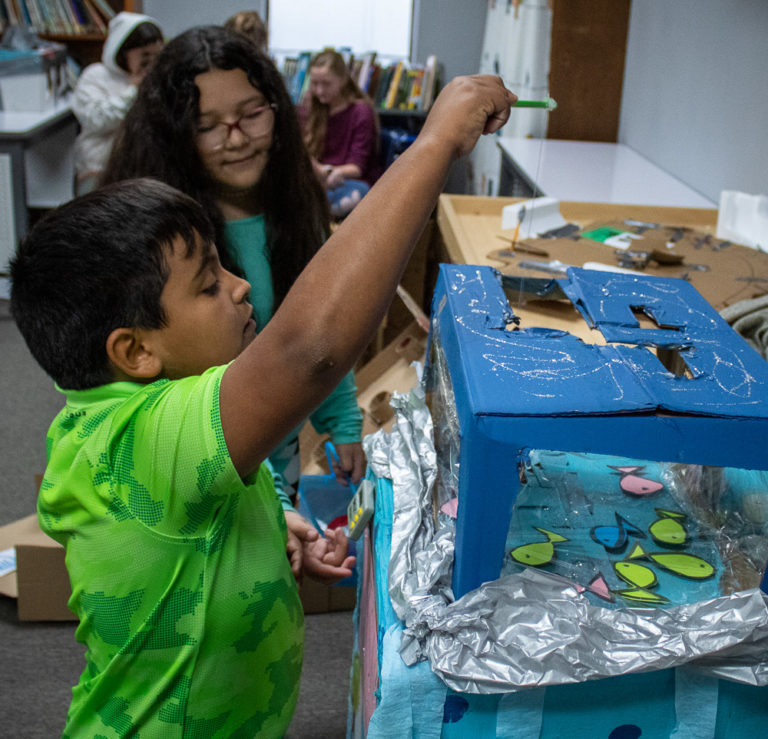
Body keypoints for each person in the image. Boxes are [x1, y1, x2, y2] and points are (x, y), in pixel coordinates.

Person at [10, 74, 515, 735]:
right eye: (208, 286)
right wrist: (435, 144)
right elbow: (307, 350)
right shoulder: (141, 437)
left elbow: (169, 523)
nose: (242, 287)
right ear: (135, 351)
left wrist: (266, 518)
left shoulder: (139, 426)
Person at [102, 26, 364, 499]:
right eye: (206, 126)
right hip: (206, 479)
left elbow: (322, 321)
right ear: (173, 135)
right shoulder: (158, 243)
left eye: (251, 114)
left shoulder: (295, 205)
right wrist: (271, 504)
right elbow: (184, 412)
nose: (237, 138)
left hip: (274, 466)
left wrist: (342, 420)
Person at [71, 11, 163, 194]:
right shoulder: (95, 75)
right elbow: (96, 120)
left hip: (142, 173)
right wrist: (132, 90)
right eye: (145, 56)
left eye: (156, 55)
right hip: (98, 171)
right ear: (122, 52)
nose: (151, 63)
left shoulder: (157, 80)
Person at [301, 49, 380, 217]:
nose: (320, 90)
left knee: (357, 194)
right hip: (318, 181)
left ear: (343, 79)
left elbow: (356, 168)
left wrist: (325, 171)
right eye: (314, 84)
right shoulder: (312, 107)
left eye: (326, 84)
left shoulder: (360, 112)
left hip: (348, 182)